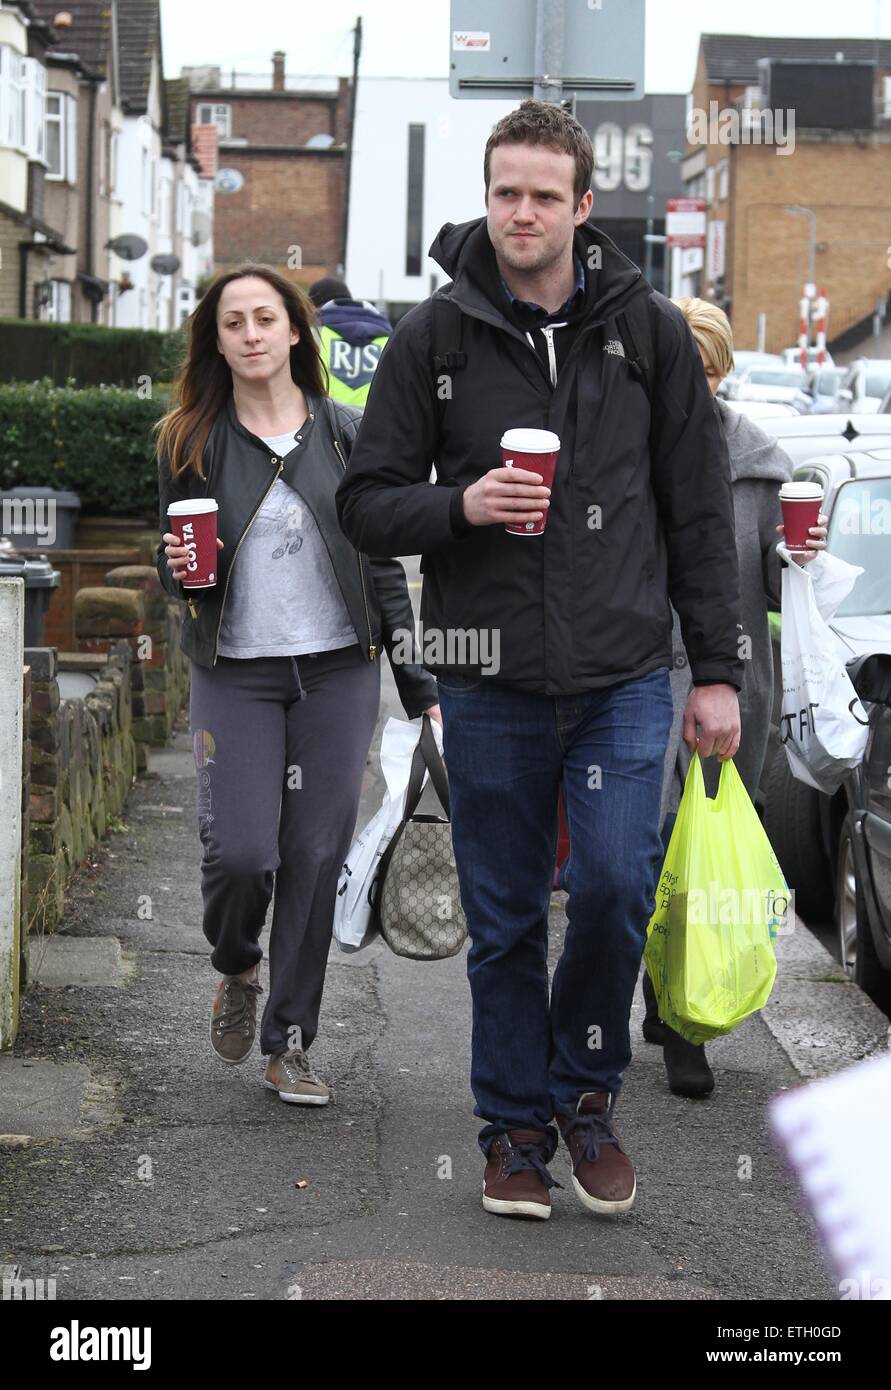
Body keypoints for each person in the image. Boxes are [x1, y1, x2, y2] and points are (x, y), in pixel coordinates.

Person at [336, 100, 743, 1221]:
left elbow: (700, 509)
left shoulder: (648, 330)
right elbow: (366, 504)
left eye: (544, 196)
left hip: (622, 674)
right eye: (506, 192)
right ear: (487, 195)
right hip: (488, 675)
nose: (522, 213)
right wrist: (461, 504)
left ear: (581, 206)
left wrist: (717, 671)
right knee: (508, 917)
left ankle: (587, 1094)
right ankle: (513, 1130)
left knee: (613, 890)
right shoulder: (436, 334)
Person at [154, 263, 439, 1105]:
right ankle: (237, 962)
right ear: (217, 339)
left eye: (264, 319)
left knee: (313, 857)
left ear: (293, 333)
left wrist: (418, 683)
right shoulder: (187, 442)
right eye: (231, 322)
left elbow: (382, 564)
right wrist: (177, 574)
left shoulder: (350, 436)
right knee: (241, 853)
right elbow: (180, 572)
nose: (248, 334)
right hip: (236, 672)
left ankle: (289, 1040)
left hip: (336, 672)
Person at [641, 297, 828, 1098]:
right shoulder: (623, 450)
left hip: (732, 682)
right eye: (683, 363)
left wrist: (796, 553)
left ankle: (685, 1012)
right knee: (644, 848)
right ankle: (669, 1009)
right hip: (641, 674)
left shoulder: (758, 459)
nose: (696, 381)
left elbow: (772, 577)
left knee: (711, 853)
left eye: (708, 368)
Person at [308, 277, 392, 407]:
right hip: (374, 421)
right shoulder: (387, 336)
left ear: (314, 307)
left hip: (328, 420)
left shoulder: (315, 334)